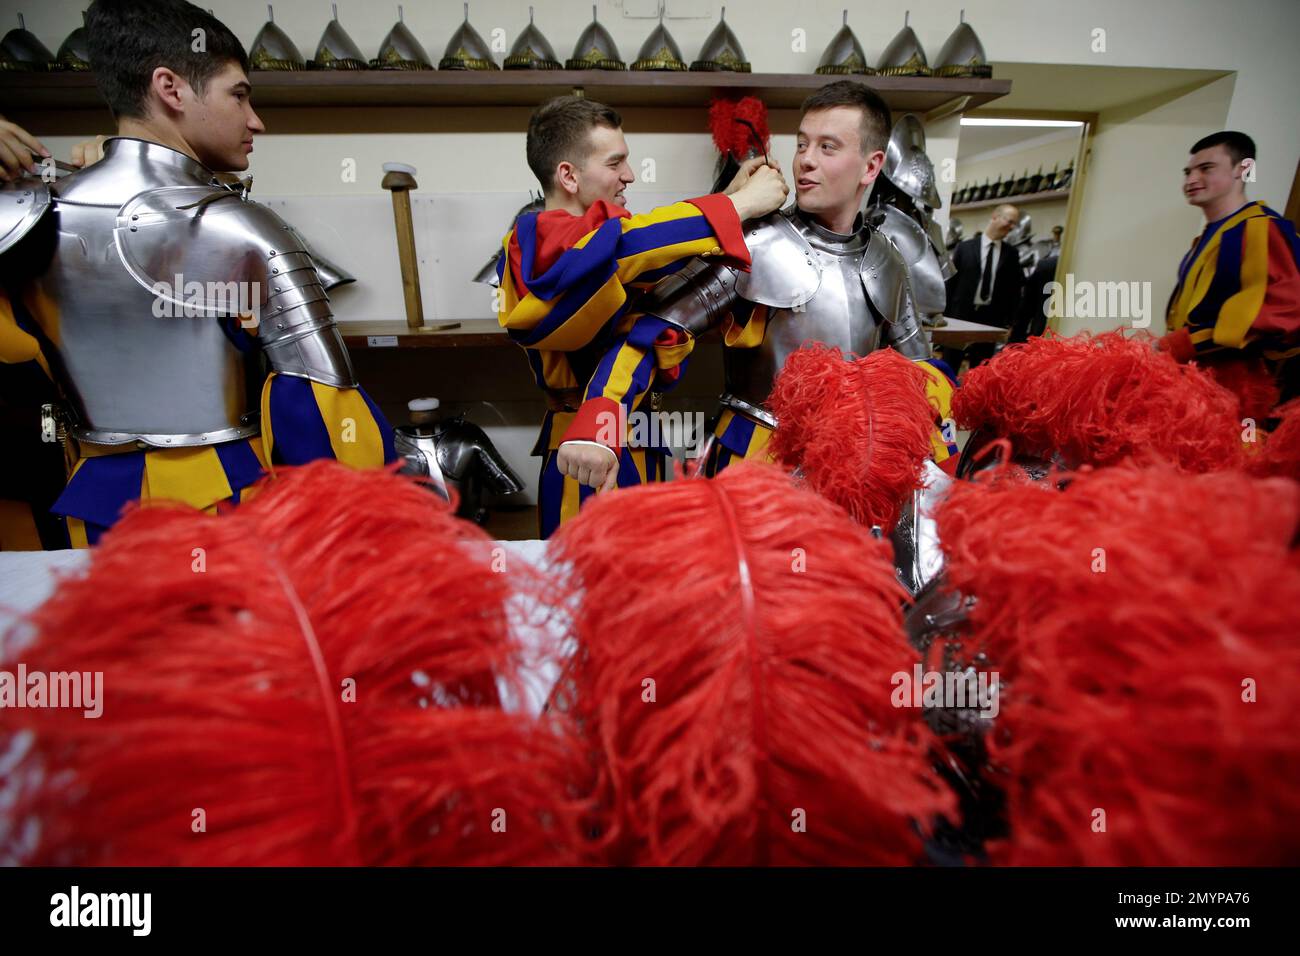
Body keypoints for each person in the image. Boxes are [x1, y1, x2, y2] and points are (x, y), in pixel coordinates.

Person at [0, 0, 394, 548]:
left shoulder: (25, 215)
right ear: (171, 88)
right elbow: (321, 412)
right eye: (238, 93)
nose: (255, 119)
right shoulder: (239, 227)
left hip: (92, 512)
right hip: (225, 504)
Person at [496, 95, 787, 537]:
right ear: (568, 176)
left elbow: (645, 248)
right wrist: (739, 206)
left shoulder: (601, 243)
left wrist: (726, 197)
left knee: (647, 586)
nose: (629, 175)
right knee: (591, 591)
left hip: (640, 436)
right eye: (615, 163)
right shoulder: (537, 242)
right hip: (586, 447)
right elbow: (628, 246)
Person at [636, 80, 958, 476]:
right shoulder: (756, 242)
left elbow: (919, 372)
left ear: (871, 166)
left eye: (828, 147)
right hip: (754, 454)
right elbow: (651, 327)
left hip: (850, 462)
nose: (806, 159)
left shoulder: (888, 259)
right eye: (803, 144)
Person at [1160, 130, 1300, 401]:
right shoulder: (1213, 234)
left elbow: (1277, 312)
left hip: (1236, 390)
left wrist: (1178, 344)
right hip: (1192, 381)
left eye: (1206, 169)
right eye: (1187, 172)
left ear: (1242, 169)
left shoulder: (1261, 229)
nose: (1191, 179)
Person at [941, 204, 1024, 373]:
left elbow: (1014, 291)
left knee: (980, 368)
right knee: (950, 364)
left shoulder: (1011, 254)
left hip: (990, 319)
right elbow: (951, 282)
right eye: (1009, 221)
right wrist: (943, 315)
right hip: (960, 316)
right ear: (995, 217)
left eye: (1015, 223)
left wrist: (1009, 322)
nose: (1012, 227)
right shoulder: (965, 247)